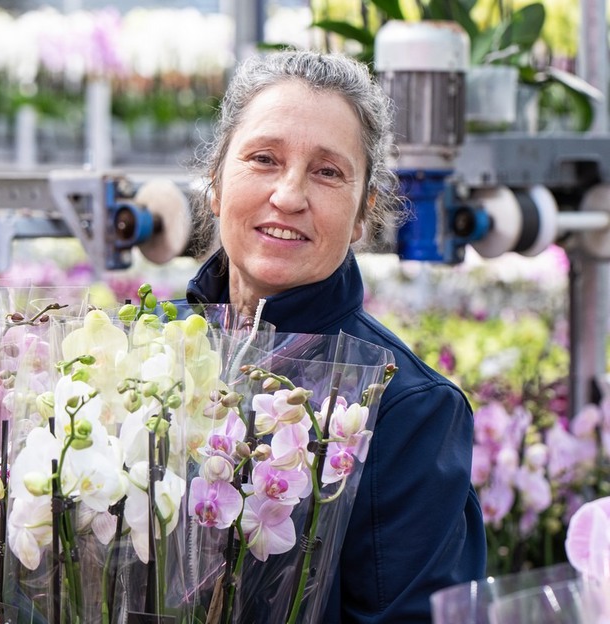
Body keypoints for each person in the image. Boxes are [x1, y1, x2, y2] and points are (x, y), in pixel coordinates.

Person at [184, 48, 487, 622]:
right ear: (216, 184)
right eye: (264, 159)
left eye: (327, 172)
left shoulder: (405, 409)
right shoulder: (147, 351)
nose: (290, 196)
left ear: (362, 215)